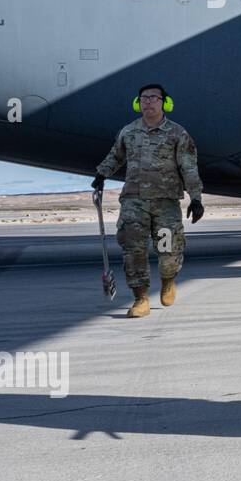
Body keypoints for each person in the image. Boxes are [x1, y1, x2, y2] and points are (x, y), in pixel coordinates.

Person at [93, 83, 204, 318]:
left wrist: (196, 198)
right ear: (138, 103)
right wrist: (102, 174)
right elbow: (116, 156)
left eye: (154, 98)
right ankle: (141, 299)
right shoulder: (129, 132)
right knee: (133, 250)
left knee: (168, 251)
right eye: (144, 98)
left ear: (164, 102)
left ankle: (168, 280)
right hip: (134, 200)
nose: (148, 102)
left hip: (165, 203)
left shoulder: (177, 134)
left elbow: (189, 166)